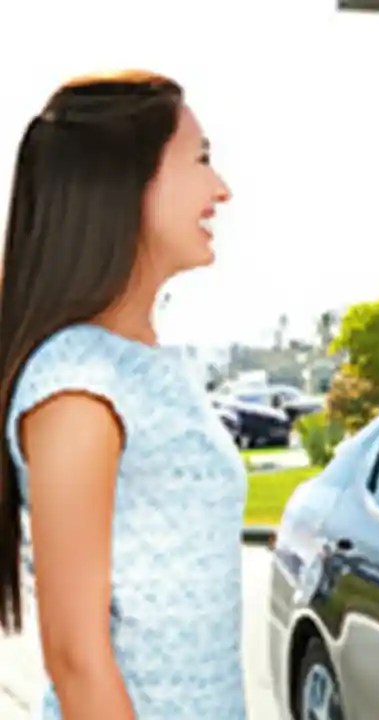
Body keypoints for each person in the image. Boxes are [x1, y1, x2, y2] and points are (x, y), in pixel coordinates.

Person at [0, 71, 243, 718]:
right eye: (201, 159)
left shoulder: (146, 363)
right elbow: (77, 660)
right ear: (125, 183)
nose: (221, 189)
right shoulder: (77, 382)